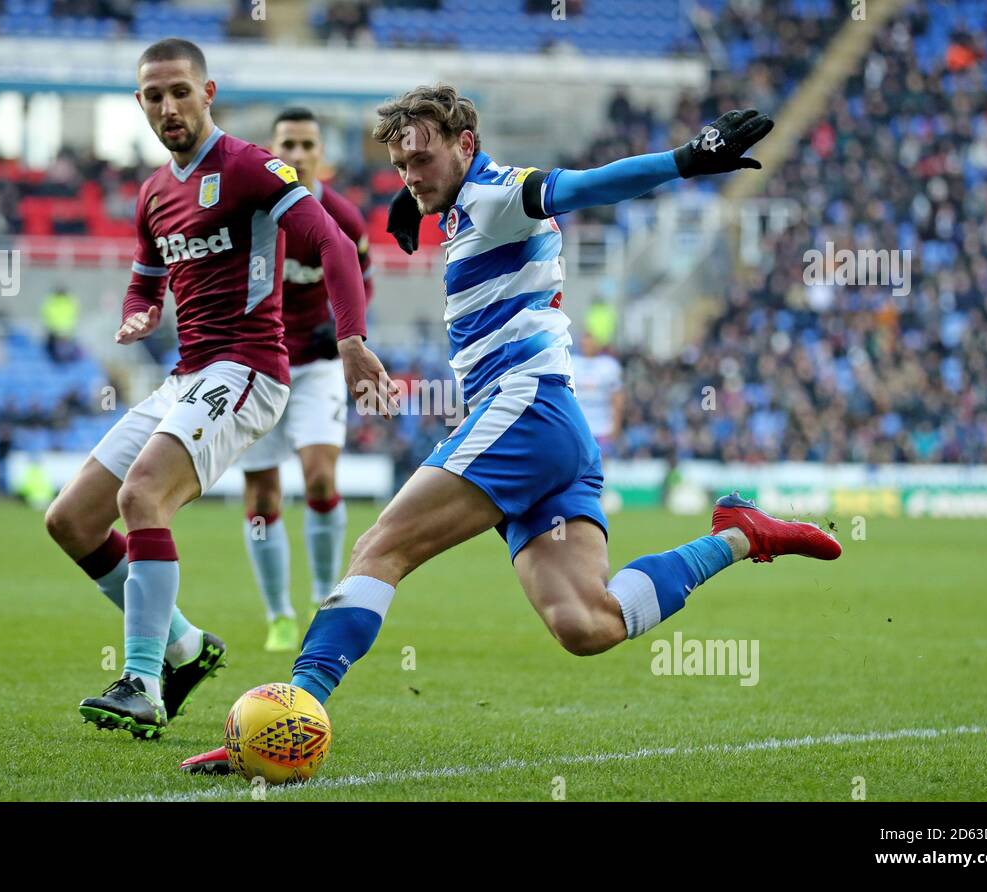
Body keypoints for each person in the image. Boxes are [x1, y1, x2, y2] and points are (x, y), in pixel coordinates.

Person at [180, 87, 839, 774]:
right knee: (588, 625)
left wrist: (684, 159)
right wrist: (427, 197)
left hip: (522, 410)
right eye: (400, 165)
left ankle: (288, 715)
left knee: (380, 549)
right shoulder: (466, 203)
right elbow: (459, 205)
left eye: (423, 159)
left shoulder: (499, 194)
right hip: (557, 431)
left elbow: (587, 187)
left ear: (466, 145)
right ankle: (738, 536)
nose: (410, 176)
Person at [42, 38, 394, 741]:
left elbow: (330, 242)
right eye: (153, 95)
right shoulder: (152, 192)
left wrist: (352, 341)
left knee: (141, 496)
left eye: (179, 91)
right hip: (186, 374)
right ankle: (183, 646)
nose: (167, 106)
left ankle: (142, 681)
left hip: (251, 367)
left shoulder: (250, 167)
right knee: (71, 521)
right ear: (139, 104)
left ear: (208, 93)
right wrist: (136, 312)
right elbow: (147, 276)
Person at [238, 107, 374, 652]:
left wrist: (343, 329)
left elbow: (361, 285)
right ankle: (278, 614)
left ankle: (324, 598)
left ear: (322, 154)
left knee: (320, 477)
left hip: (317, 366)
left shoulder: (344, 218)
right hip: (257, 364)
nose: (296, 155)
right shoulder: (252, 215)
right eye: (286, 145)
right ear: (273, 151)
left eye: (306, 146)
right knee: (262, 495)